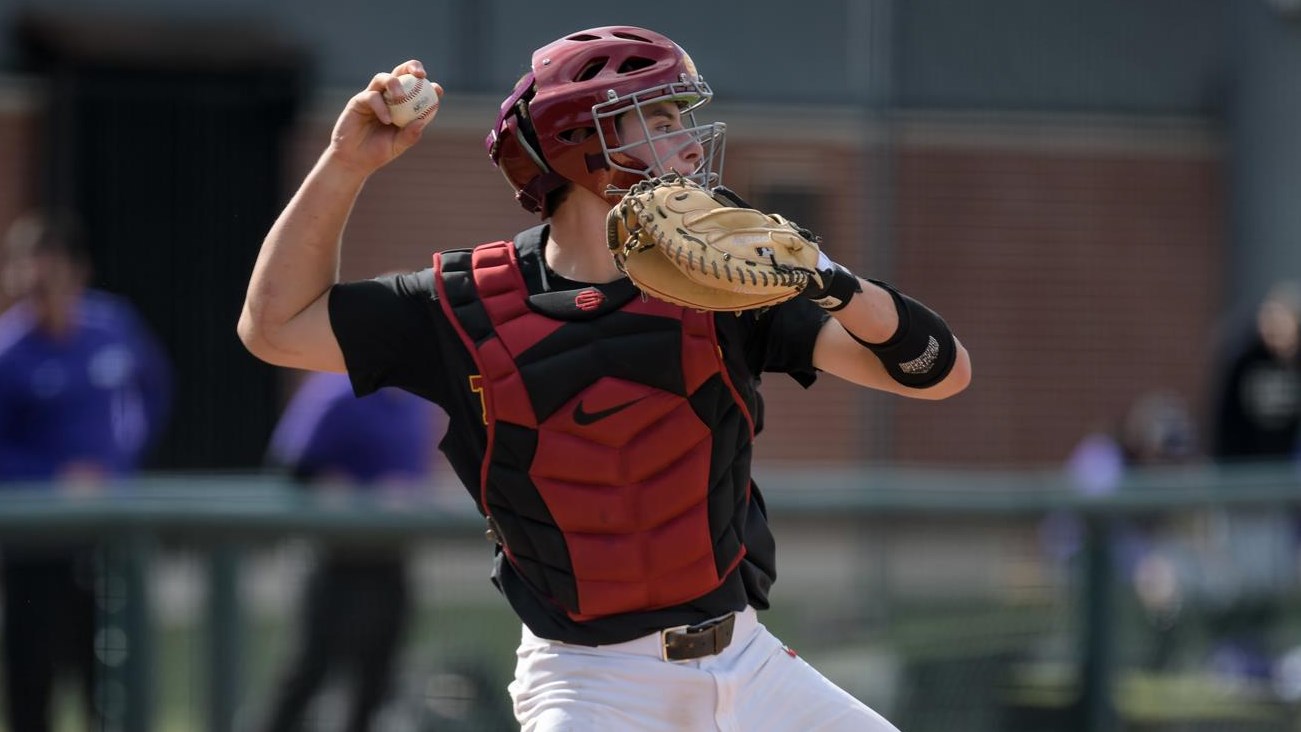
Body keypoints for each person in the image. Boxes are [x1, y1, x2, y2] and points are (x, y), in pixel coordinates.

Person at [238, 25, 971, 731]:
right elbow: (274, 328)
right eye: (655, 117)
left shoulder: (725, 285)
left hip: (747, 662)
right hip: (591, 683)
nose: (687, 141)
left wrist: (829, 278)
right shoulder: (462, 306)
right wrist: (346, 163)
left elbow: (937, 376)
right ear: (578, 143)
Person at [0, 210, 172, 732]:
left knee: (112, 679)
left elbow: (155, 388)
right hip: (37, 544)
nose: (41, 293)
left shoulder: (113, 326)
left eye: (50, 279)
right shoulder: (9, 353)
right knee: (34, 682)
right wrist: (53, 479)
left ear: (78, 272)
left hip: (108, 534)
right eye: (28, 280)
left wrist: (124, 455)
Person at [255, 371, 440, 732]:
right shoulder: (335, 391)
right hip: (334, 561)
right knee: (309, 673)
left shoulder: (418, 398)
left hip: (390, 560)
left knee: (377, 679)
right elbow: (289, 467)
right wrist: (353, 492)